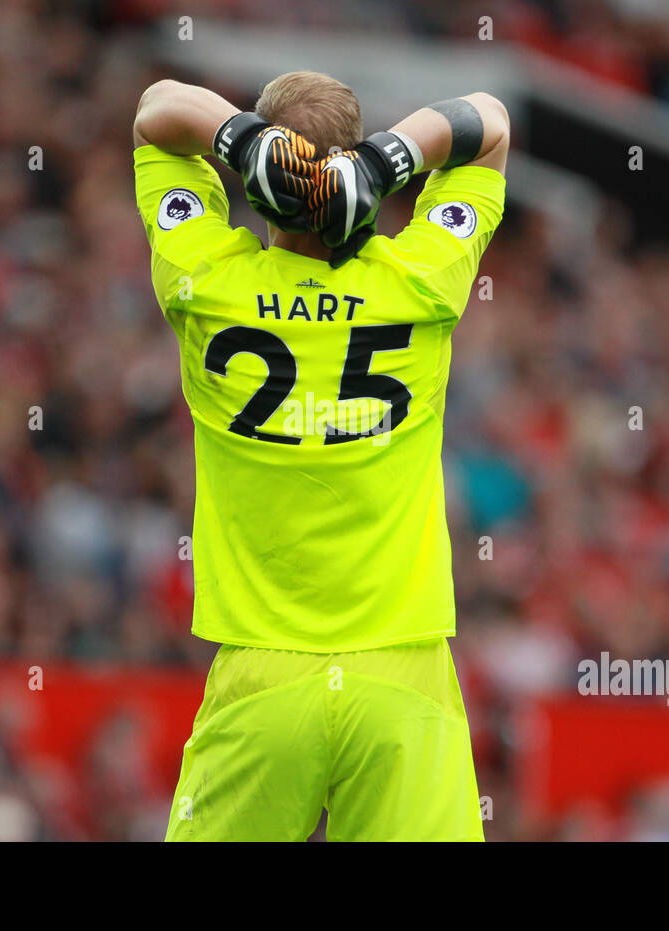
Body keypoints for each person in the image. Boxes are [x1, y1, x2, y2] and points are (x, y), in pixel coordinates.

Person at [132, 71, 508, 841]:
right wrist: (389, 158)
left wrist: (242, 140)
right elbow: (490, 124)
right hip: (401, 673)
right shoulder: (421, 286)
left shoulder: (206, 285)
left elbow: (155, 114)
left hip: (262, 676)